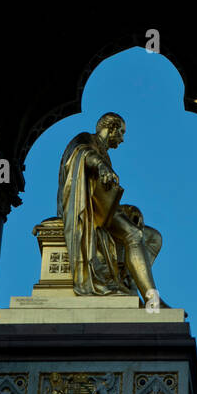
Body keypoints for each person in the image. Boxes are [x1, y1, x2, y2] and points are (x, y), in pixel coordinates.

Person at [57, 113, 161, 309]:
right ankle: (153, 301)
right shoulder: (86, 140)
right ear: (111, 128)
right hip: (83, 212)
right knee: (134, 235)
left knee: (153, 238)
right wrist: (102, 166)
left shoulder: (104, 153)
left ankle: (128, 285)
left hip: (97, 213)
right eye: (121, 132)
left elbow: (102, 197)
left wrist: (128, 210)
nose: (122, 139)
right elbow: (82, 154)